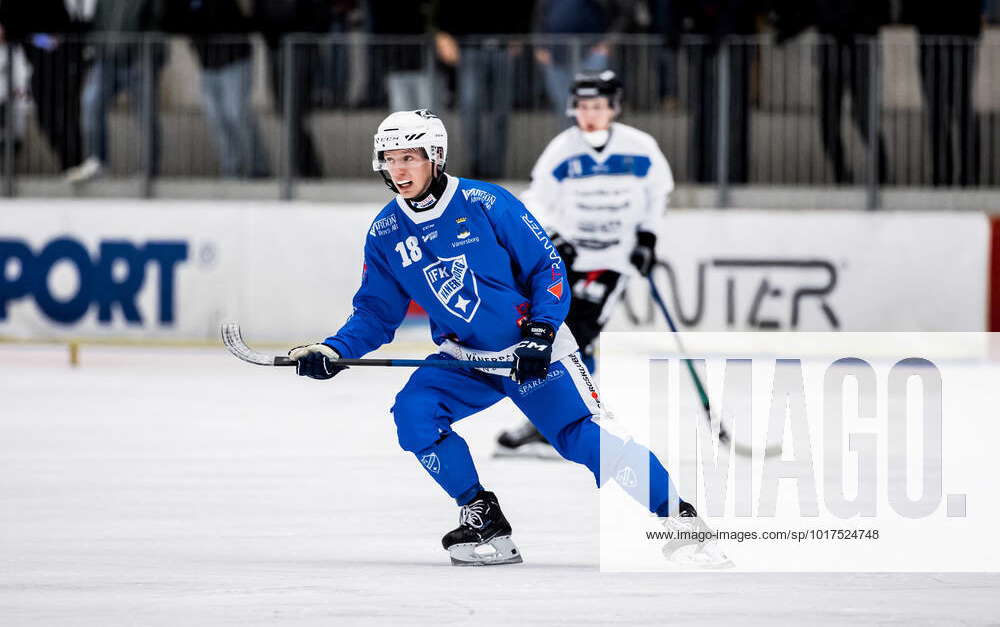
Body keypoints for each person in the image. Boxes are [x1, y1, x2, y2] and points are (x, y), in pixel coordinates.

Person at [286, 109, 726, 568]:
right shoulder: (385, 232)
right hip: (465, 359)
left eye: (409, 158)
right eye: (389, 159)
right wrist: (333, 349)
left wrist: (541, 331)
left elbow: (548, 268)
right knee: (414, 414)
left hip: (531, 353)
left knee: (582, 439)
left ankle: (680, 518)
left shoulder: (486, 202)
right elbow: (376, 313)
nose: (398, 171)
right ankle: (484, 518)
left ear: (435, 157)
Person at [494, 71, 674, 459]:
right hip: (568, 259)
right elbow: (537, 199)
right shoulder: (562, 148)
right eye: (582, 107)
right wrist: (554, 236)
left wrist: (647, 238)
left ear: (613, 107)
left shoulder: (640, 147)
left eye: (598, 106)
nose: (589, 114)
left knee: (581, 332)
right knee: (553, 333)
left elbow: (657, 194)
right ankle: (551, 417)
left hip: (612, 261)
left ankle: (567, 416)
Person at [772, 0, 890, 184]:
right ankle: (841, 174)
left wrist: (846, 27)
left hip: (858, 57)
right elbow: (809, 12)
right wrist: (786, 30)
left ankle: (881, 173)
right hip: (831, 60)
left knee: (863, 117)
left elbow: (880, 15)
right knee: (828, 122)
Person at [163, 0, 270, 179]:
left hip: (235, 60)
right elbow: (172, 22)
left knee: (236, 112)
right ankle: (231, 168)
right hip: (207, 65)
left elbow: (231, 19)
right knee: (216, 118)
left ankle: (257, 167)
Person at [65, 0, 168, 184]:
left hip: (139, 59)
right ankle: (97, 163)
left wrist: (153, 54)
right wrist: (93, 50)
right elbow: (98, 22)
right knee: (91, 103)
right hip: (107, 59)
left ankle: (149, 170)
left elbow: (160, 20)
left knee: (146, 114)